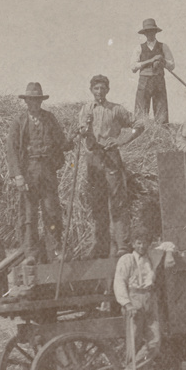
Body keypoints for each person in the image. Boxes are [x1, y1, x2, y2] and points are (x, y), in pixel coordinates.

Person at [6, 82, 72, 296]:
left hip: (47, 169)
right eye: (30, 100)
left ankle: (55, 250)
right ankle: (31, 252)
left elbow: (61, 142)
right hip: (29, 170)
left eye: (37, 100)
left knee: (52, 212)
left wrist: (73, 141)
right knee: (28, 214)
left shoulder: (49, 118)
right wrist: (17, 175)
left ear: (41, 101)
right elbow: (12, 150)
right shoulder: (19, 121)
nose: (34, 103)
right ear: (26, 102)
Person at [78, 74, 143, 259]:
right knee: (97, 203)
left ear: (108, 90)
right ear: (91, 90)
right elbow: (82, 132)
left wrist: (121, 140)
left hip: (112, 156)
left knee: (118, 201)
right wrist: (85, 129)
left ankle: (122, 244)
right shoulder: (86, 110)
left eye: (102, 88)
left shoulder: (116, 110)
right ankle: (100, 245)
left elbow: (139, 125)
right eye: (96, 88)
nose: (99, 92)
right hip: (93, 158)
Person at [113, 228, 163, 366]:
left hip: (149, 299)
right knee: (133, 341)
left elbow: (168, 245)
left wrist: (169, 255)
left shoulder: (152, 257)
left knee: (154, 341)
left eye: (145, 243)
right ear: (133, 244)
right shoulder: (127, 259)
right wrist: (127, 304)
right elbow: (119, 282)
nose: (142, 246)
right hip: (133, 299)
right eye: (139, 243)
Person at [131, 18, 175, 125]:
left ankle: (162, 134)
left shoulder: (163, 46)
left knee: (161, 110)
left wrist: (162, 60)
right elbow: (133, 67)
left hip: (159, 79)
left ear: (155, 32)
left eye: (152, 31)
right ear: (144, 34)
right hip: (144, 80)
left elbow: (172, 65)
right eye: (147, 31)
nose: (150, 33)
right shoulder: (139, 48)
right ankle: (139, 133)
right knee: (141, 110)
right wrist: (150, 60)